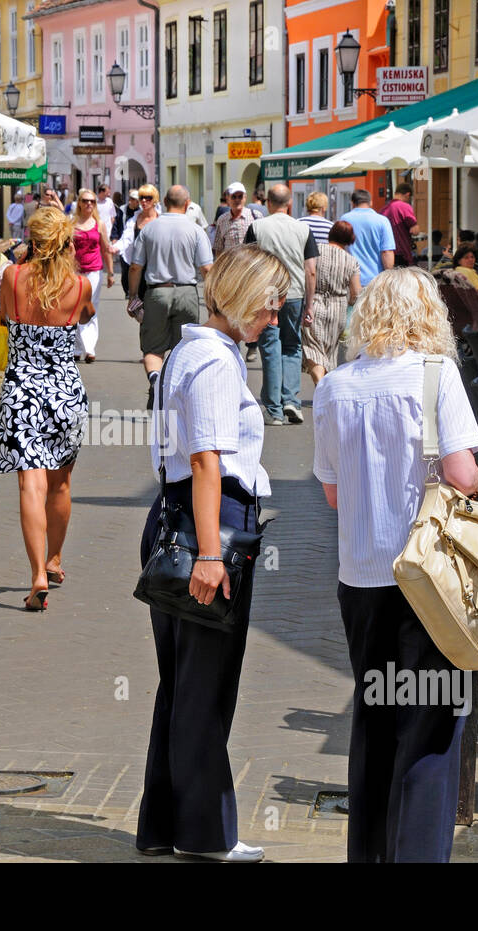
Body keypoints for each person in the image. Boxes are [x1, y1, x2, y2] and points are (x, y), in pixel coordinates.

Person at [312, 266, 478, 863]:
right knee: (432, 726)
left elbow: (332, 494)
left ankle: (370, 853)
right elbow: (465, 477)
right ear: (428, 314)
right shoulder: (437, 377)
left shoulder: (333, 386)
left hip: (361, 575)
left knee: (375, 716)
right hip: (428, 579)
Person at [136, 243, 289, 863]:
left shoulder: (187, 351)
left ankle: (165, 826)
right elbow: (206, 460)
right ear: (242, 298)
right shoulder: (216, 361)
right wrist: (209, 554)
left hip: (183, 518)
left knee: (182, 683)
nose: (274, 320)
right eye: (270, 307)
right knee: (205, 684)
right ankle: (204, 835)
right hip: (210, 524)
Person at [0, 208, 93, 611]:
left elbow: (4, 317)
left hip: (22, 390)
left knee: (29, 485)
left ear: (31, 240)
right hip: (65, 391)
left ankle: (37, 574)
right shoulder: (80, 285)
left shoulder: (12, 278)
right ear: (66, 242)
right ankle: (54, 559)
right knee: (61, 484)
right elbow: (86, 317)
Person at [129, 185, 214, 410]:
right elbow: (207, 268)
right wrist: (214, 300)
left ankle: (156, 380)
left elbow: (136, 267)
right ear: (188, 204)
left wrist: (133, 296)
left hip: (156, 292)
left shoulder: (149, 229)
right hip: (187, 291)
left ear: (164, 201)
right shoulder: (196, 230)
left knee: (152, 348)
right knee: (183, 348)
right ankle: (174, 394)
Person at [245, 183, 318, 425]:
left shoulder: (257, 227)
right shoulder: (303, 229)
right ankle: (291, 400)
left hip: (266, 293)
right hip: (295, 293)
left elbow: (248, 262)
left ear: (267, 202)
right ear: (289, 204)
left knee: (270, 347)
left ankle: (274, 410)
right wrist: (310, 304)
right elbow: (311, 271)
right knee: (292, 346)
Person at [302, 220, 361, 384]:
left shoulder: (316, 251)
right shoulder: (351, 261)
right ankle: (325, 389)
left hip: (314, 303)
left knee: (313, 348)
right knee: (329, 353)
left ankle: (320, 385)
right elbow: (356, 293)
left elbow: (307, 274)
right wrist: (349, 302)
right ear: (350, 239)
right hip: (338, 309)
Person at [211, 182, 264, 362]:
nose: (237, 200)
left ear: (245, 197)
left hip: (250, 271)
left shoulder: (255, 217)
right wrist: (217, 272)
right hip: (229, 272)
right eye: (233, 197)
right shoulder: (223, 220)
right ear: (228, 198)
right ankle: (234, 343)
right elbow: (218, 247)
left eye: (240, 196)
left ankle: (252, 345)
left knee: (251, 309)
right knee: (232, 309)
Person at [71, 187, 114, 363]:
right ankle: (77, 347)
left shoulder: (100, 224)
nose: (89, 204)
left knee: (90, 307)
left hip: (94, 270)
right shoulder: (71, 224)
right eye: (85, 201)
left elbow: (106, 249)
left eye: (92, 201)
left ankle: (89, 349)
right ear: (79, 203)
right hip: (75, 271)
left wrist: (111, 272)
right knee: (75, 308)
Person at [340, 189, 395, 287]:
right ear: (371, 202)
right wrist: (389, 276)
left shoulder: (345, 219)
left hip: (351, 279)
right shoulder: (382, 221)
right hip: (376, 279)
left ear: (352, 203)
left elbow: (340, 248)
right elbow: (387, 252)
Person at [382, 182, 418, 267]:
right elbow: (415, 230)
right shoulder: (405, 206)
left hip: (386, 253)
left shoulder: (383, 209)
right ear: (408, 195)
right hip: (401, 253)